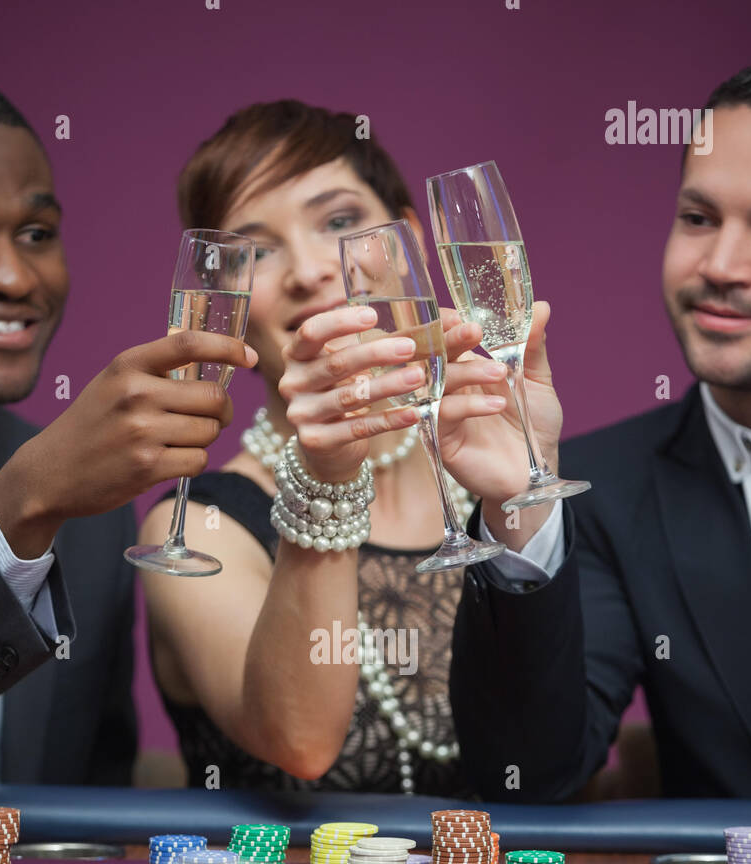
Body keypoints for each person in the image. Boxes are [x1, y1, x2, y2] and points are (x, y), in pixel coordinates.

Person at [139, 99, 559, 795]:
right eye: (259, 248)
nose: (309, 271)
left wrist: (519, 507)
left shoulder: (502, 469)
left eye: (339, 222)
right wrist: (328, 473)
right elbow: (300, 746)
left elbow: (555, 767)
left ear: (414, 239)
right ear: (224, 295)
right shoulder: (199, 528)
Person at [450, 55, 751, 803]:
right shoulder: (613, 488)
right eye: (698, 218)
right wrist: (523, 509)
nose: (721, 265)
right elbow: (526, 782)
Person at [0, 66, 250, 783]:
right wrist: (21, 507)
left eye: (37, 232)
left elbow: (97, 787)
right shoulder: (51, 486)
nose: (13, 277)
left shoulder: (92, 506)